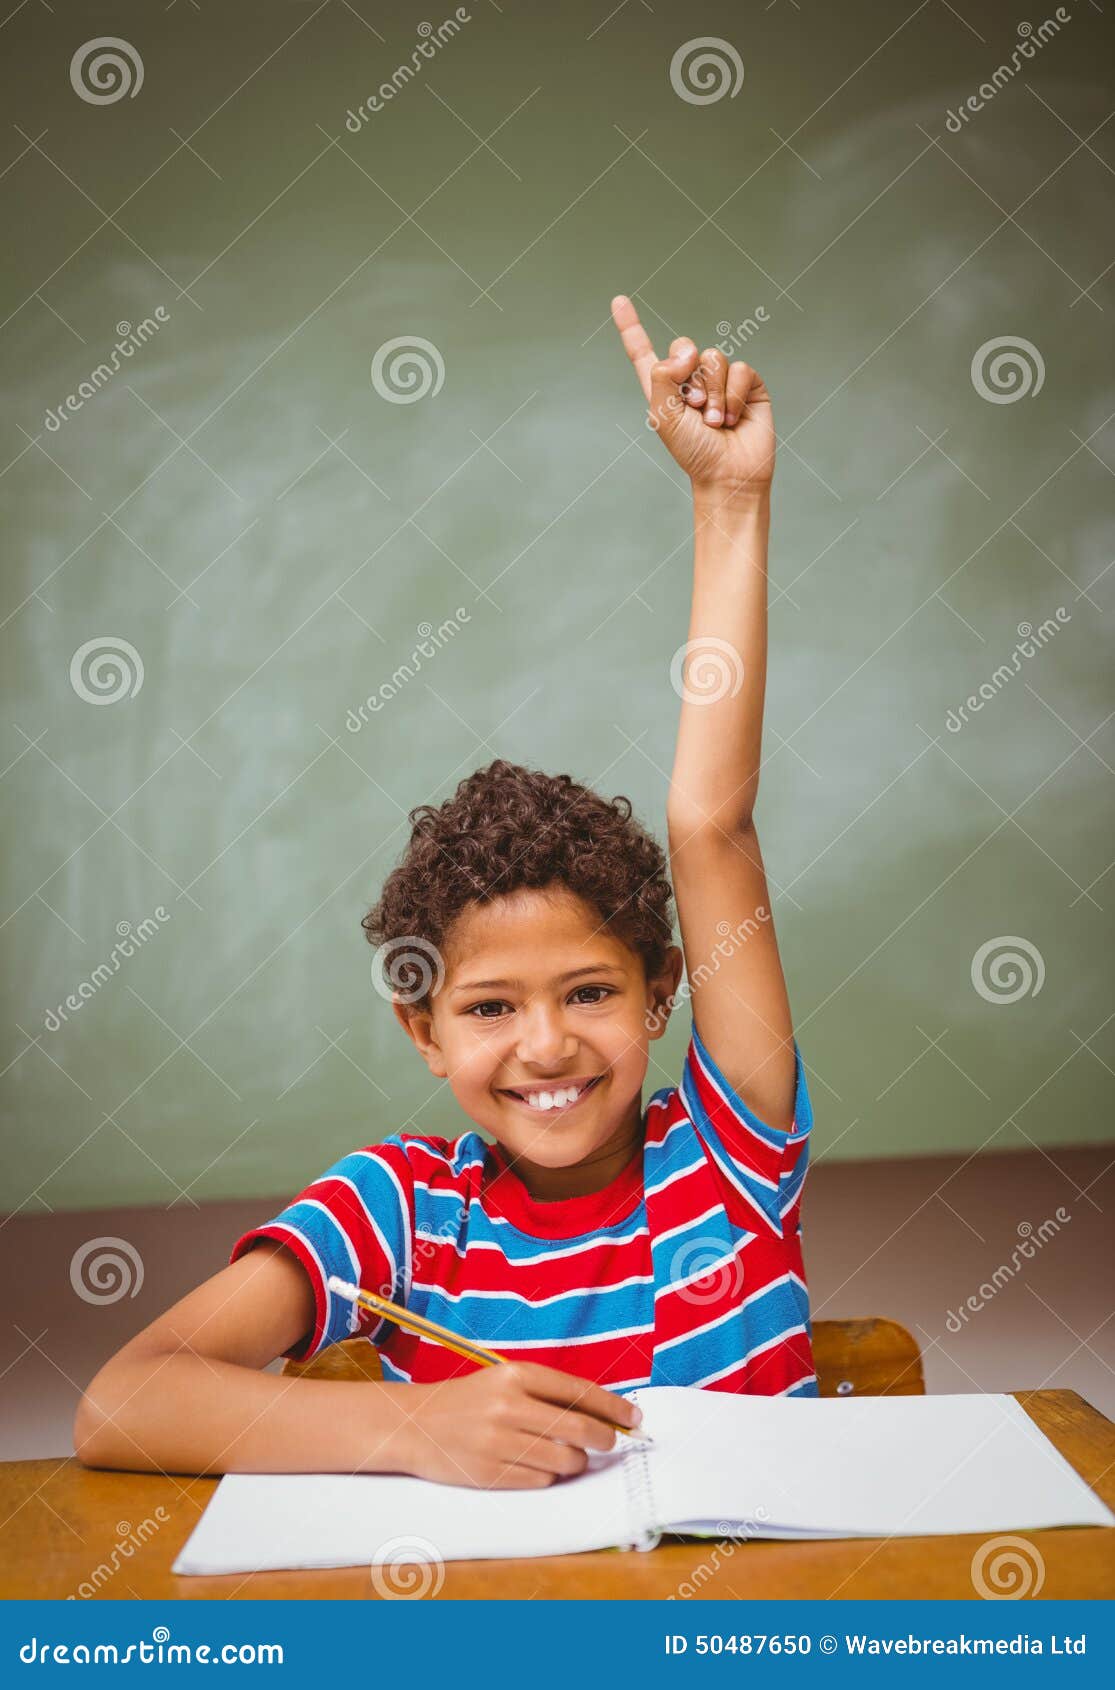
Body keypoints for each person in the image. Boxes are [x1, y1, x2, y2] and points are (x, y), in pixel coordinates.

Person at [73, 298, 814, 1490]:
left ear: (661, 991)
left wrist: (728, 502)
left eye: (588, 990)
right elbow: (123, 1400)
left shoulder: (729, 1155)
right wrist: (414, 1430)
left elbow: (708, 822)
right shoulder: (400, 1214)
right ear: (421, 1029)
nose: (546, 1044)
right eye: (485, 1008)